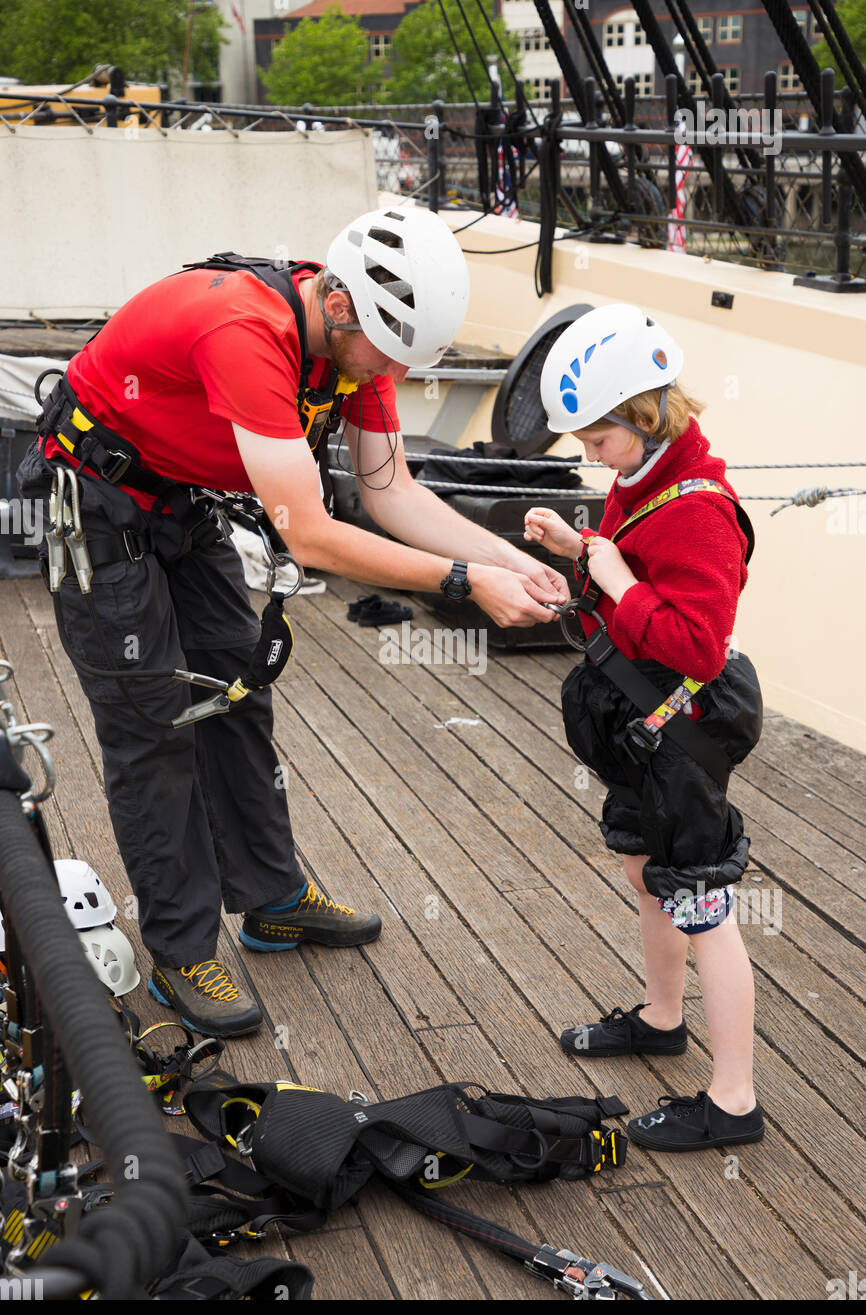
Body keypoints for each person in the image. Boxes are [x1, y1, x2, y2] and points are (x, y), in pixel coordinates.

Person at [19, 206, 568, 1038]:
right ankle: (180, 950)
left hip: (174, 498)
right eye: (390, 354)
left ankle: (272, 898)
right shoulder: (244, 331)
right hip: (95, 501)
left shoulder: (362, 344)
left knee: (235, 690)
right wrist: (464, 582)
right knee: (152, 726)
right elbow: (309, 532)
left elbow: (393, 495)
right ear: (340, 305)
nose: (393, 372)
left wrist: (509, 559)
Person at [525, 302, 764, 1152]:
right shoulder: (645, 476)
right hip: (640, 720)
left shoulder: (697, 503)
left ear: (643, 413)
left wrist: (614, 572)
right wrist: (580, 545)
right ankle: (665, 1019)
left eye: (598, 440)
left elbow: (697, 641)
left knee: (704, 902)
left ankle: (734, 1100)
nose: (591, 456)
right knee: (646, 870)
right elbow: (635, 568)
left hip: (681, 723)